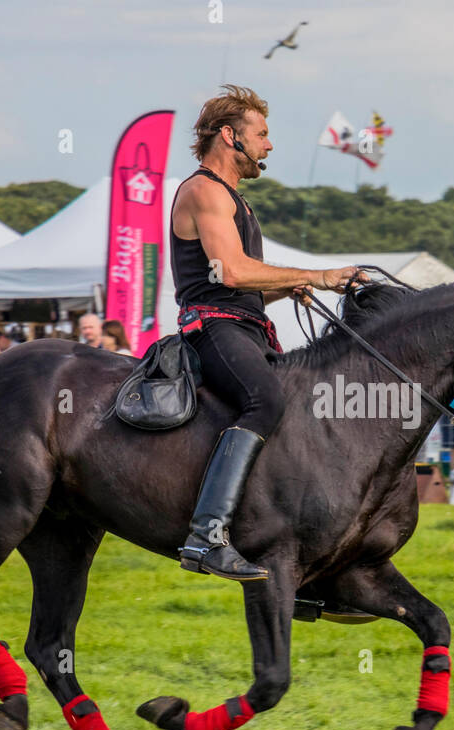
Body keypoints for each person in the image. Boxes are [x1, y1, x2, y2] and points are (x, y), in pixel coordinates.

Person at [171, 84, 367, 581]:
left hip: (245, 325)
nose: (270, 146)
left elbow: (245, 285)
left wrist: (292, 287)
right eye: (262, 135)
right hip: (213, 328)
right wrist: (314, 275)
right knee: (267, 401)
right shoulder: (204, 191)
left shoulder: (235, 200)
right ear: (229, 135)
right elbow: (232, 274)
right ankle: (206, 536)